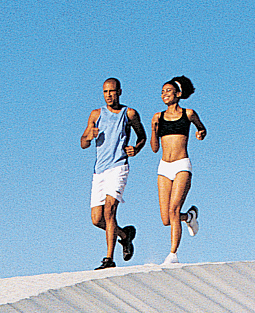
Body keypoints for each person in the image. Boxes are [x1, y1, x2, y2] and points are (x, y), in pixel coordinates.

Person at [80, 78, 143, 269]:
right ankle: (125, 235)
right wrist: (89, 137)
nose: (109, 95)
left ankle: (109, 259)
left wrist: (136, 148)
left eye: (112, 91)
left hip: (118, 166)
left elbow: (142, 136)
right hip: (99, 170)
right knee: (97, 219)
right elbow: (83, 143)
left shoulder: (129, 113)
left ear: (119, 92)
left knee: (110, 211)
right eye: (105, 92)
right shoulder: (96, 114)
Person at [151, 76, 205, 265]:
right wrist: (154, 129)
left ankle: (172, 254)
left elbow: (201, 128)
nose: (164, 94)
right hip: (164, 167)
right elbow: (154, 148)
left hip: (182, 165)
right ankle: (189, 217)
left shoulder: (188, 113)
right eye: (162, 91)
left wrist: (200, 133)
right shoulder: (158, 117)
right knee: (166, 219)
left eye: (168, 90)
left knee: (174, 209)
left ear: (178, 94)